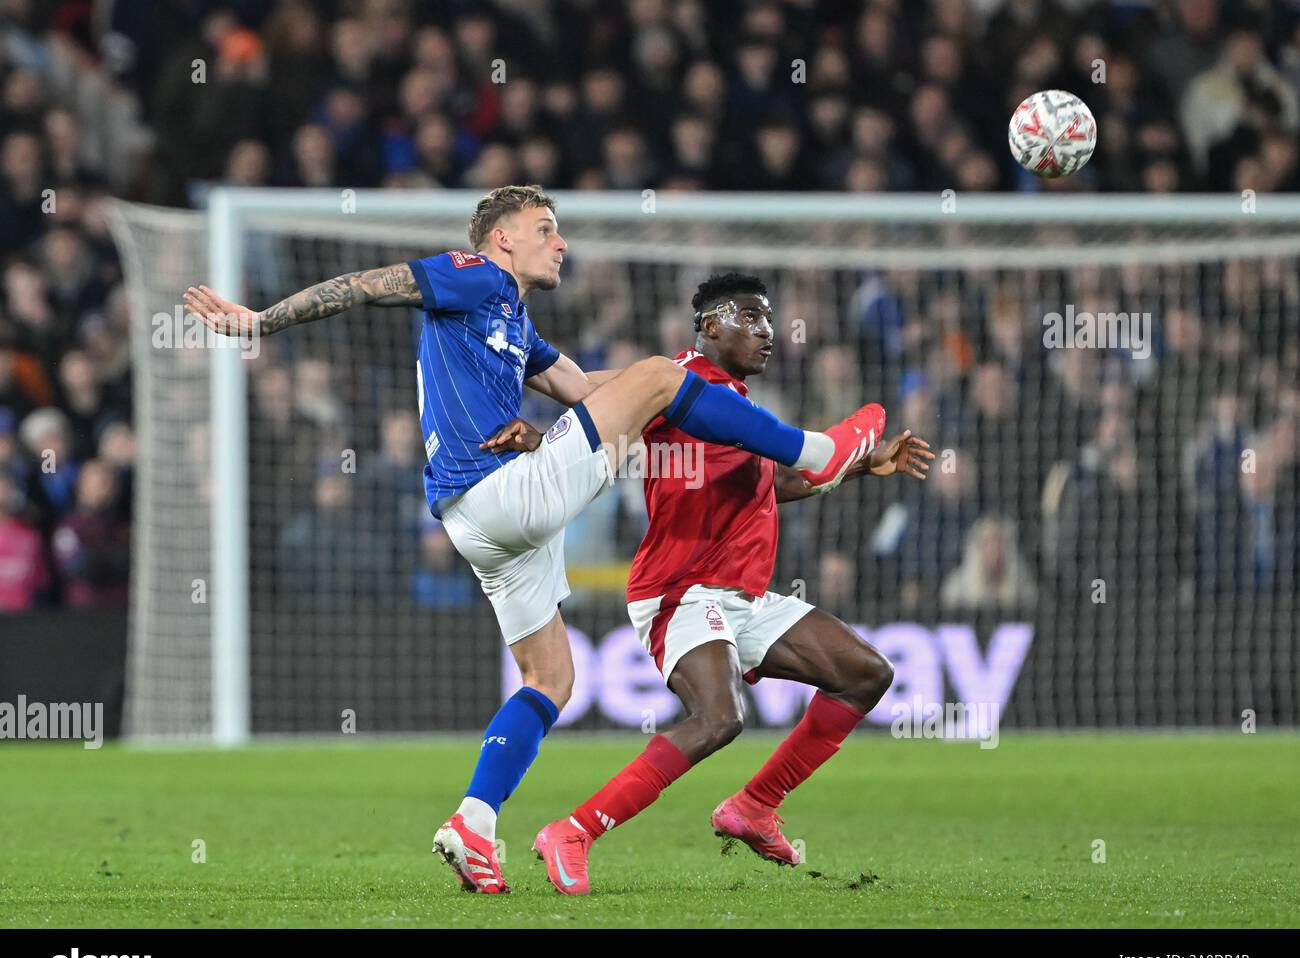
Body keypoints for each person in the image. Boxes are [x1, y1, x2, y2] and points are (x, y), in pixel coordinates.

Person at [183, 185, 886, 894]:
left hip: (481, 523)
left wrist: (578, 423)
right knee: (662, 375)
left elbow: (585, 390)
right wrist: (262, 322)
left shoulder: (514, 323)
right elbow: (370, 284)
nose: (561, 243)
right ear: (503, 238)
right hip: (502, 493)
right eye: (546, 229)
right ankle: (814, 448)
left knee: (551, 678)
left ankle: (474, 825)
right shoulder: (474, 272)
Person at [525, 273, 932, 895]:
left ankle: (753, 807)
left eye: (770, 321)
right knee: (718, 719)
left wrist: (864, 468)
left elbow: (782, 481)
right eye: (753, 319)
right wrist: (531, 437)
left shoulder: (732, 402)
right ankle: (572, 831)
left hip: (741, 594)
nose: (769, 333)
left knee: (866, 673)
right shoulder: (669, 383)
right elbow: (590, 405)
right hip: (679, 589)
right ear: (711, 325)